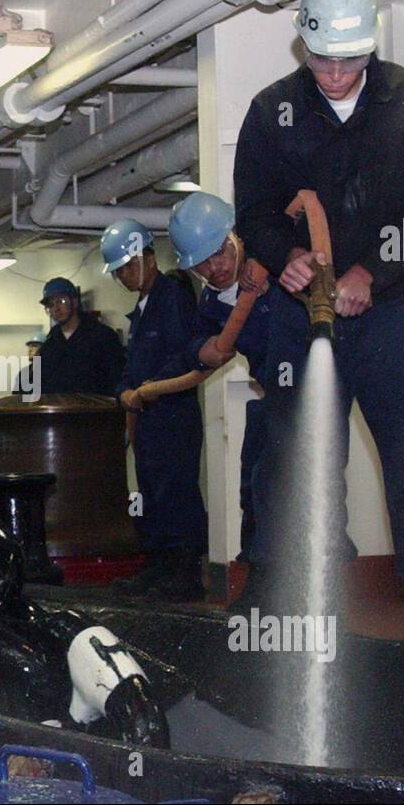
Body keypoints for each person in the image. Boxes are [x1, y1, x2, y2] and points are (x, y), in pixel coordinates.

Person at [233, 0, 404, 650]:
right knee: (296, 457)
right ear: (301, 46)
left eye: (349, 59)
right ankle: (295, 599)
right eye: (322, 59)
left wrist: (374, 270)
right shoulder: (270, 112)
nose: (335, 73)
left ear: (371, 47)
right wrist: (286, 256)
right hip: (298, 315)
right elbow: (253, 210)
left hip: (390, 317)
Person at [132, 191, 274, 566]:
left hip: (314, 392)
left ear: (235, 237)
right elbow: (190, 353)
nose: (215, 267)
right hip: (274, 397)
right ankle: (255, 579)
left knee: (292, 484)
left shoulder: (272, 257)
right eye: (202, 264)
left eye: (220, 253)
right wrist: (201, 350)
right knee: (254, 485)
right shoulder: (211, 307)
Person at [103, 219, 208, 602]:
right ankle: (159, 566)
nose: (126, 275)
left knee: (175, 492)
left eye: (130, 266)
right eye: (120, 272)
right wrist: (125, 391)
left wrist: (144, 391)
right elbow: (132, 366)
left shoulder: (173, 298)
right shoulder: (143, 310)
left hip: (173, 415)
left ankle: (185, 572)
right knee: (151, 492)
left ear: (149, 258)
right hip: (148, 419)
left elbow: (183, 355)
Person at [31, 277, 126, 396]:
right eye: (51, 305)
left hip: (94, 411)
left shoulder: (102, 337)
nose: (56, 308)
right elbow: (36, 380)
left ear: (75, 301)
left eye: (61, 301)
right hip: (57, 412)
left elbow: (117, 380)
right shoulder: (50, 344)